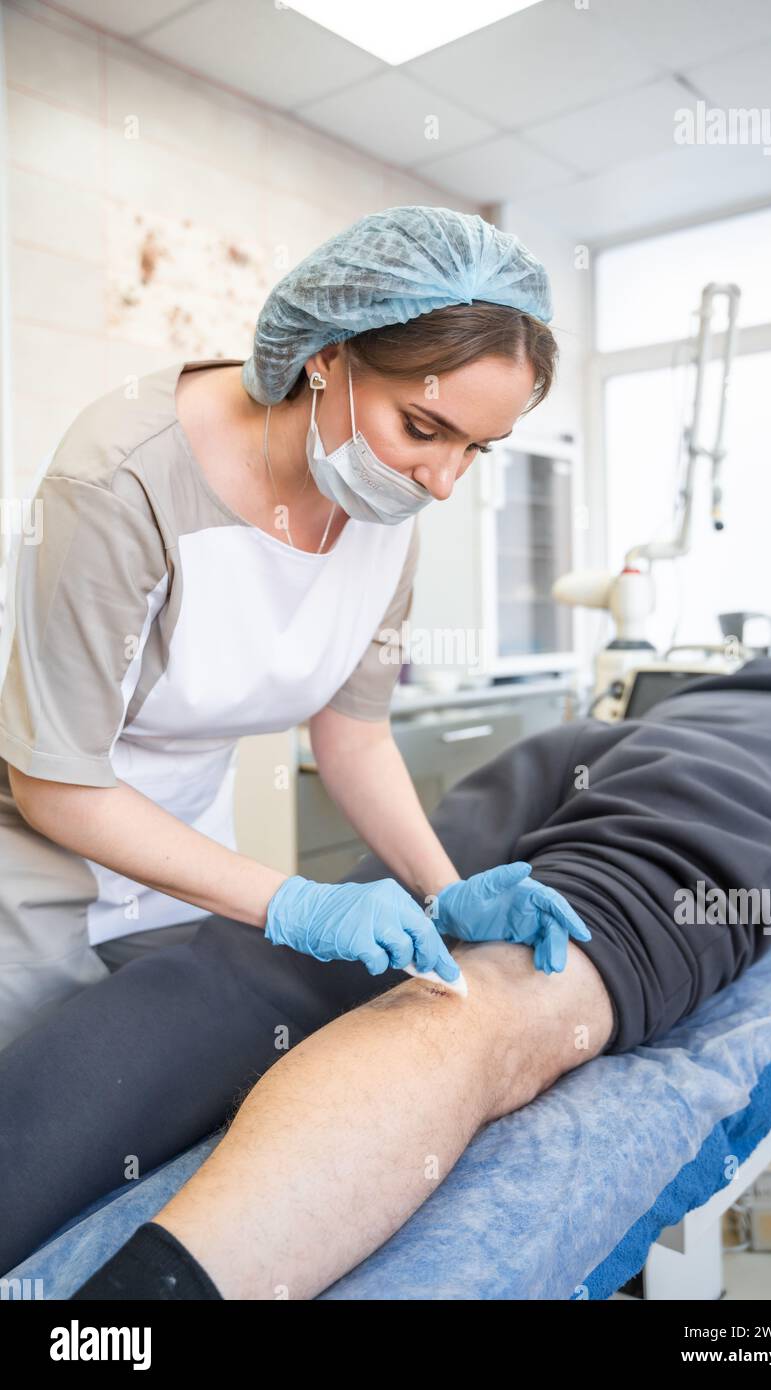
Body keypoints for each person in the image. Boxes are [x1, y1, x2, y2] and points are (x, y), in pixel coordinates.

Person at [2, 654, 771, 1286]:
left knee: (265, 972)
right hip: (732, 787)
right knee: (490, 1000)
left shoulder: (707, 694)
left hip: (568, 755)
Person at [0, 205, 587, 1050]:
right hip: (38, 867)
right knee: (43, 1122)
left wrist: (442, 889)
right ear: (327, 353)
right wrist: (293, 901)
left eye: (478, 449)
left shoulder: (382, 497)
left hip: (188, 858)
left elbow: (354, 738)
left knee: (174, 1090)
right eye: (424, 429)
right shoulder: (121, 484)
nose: (443, 480)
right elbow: (55, 782)